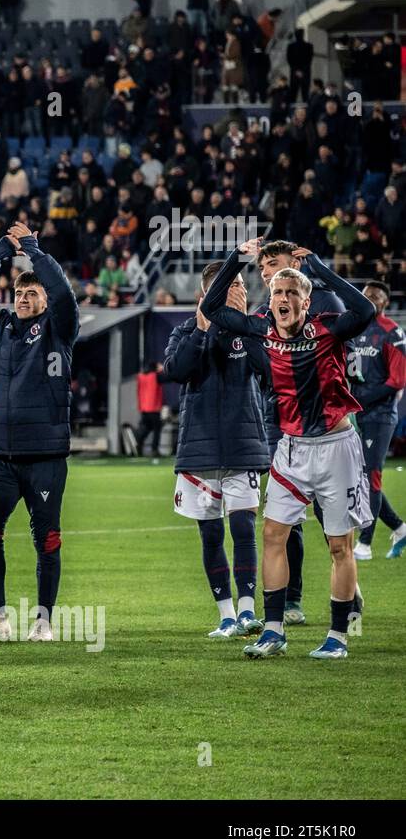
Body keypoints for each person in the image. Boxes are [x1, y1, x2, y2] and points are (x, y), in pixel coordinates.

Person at [201, 238, 375, 660]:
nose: (281, 298)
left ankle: (337, 637)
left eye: (290, 292)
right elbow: (210, 310)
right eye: (276, 291)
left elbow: (366, 310)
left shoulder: (328, 328)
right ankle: (274, 630)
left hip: (336, 447)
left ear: (305, 300)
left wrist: (318, 267)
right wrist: (235, 260)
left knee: (339, 546)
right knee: (273, 534)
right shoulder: (260, 327)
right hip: (292, 448)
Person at [0, 222, 79, 642]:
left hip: (46, 456)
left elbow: (64, 295)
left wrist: (33, 251)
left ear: (44, 299)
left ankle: (44, 621)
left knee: (46, 539)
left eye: (32, 293)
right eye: (19, 293)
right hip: (0, 457)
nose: (24, 298)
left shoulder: (60, 329)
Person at [164, 261, 270, 639]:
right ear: (203, 297)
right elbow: (176, 371)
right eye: (229, 285)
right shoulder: (185, 331)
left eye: (241, 284)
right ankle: (224, 615)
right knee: (210, 535)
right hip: (200, 449)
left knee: (243, 527)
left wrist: (244, 325)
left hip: (244, 444)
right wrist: (202, 329)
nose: (237, 289)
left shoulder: (254, 329)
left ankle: (246, 611)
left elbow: (268, 373)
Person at [253, 240, 345, 625]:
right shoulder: (264, 313)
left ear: (297, 264)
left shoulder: (328, 304)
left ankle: (347, 591)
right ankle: (290, 600)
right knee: (282, 521)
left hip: (327, 425)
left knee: (331, 521)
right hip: (283, 424)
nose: (268, 274)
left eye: (274, 265)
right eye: (262, 271)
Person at [346, 280, 406, 560]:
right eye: (367, 295)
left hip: (380, 415)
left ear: (385, 302)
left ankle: (365, 543)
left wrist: (363, 400)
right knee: (363, 476)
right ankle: (399, 528)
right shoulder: (353, 329)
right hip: (357, 413)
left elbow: (397, 381)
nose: (371, 299)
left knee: (371, 475)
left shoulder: (392, 333)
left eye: (377, 296)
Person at [133, 360, 169, 457]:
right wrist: (162, 369)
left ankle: (138, 443)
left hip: (144, 407)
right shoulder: (155, 376)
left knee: (148, 427)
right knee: (157, 428)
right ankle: (154, 449)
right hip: (153, 407)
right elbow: (168, 377)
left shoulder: (141, 376)